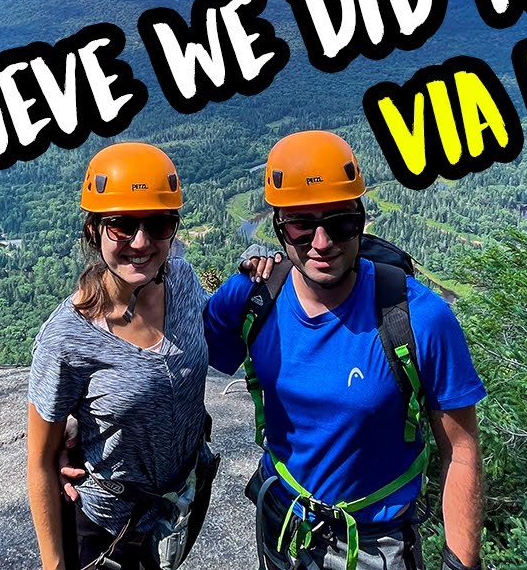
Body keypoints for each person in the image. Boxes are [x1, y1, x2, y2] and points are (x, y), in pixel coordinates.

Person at [203, 130, 487, 570]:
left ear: (361, 219)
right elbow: (176, 361)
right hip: (282, 524)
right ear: (278, 226)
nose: (321, 242)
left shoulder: (418, 317)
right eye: (301, 224)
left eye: (339, 223)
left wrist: (460, 563)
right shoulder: (251, 297)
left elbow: (462, 451)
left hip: (376, 543)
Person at [27, 141, 275, 570]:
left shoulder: (179, 278)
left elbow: (215, 329)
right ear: (94, 230)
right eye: (122, 226)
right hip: (111, 529)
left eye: (159, 224)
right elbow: (40, 464)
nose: (140, 242)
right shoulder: (68, 337)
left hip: (182, 500)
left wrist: (252, 269)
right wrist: (54, 565)